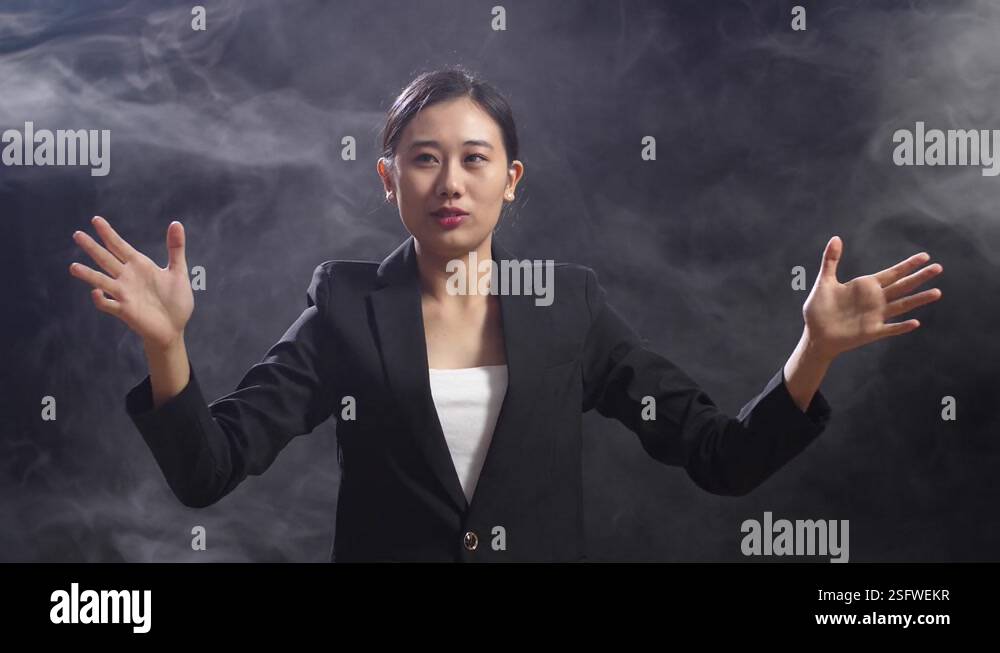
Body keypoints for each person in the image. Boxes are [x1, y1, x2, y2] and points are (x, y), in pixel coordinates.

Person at [67, 67, 944, 562]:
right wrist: (166, 342)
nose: (449, 182)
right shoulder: (343, 306)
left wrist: (814, 351)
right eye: (423, 159)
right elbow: (207, 471)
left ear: (510, 180)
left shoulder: (570, 306)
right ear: (387, 180)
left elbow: (723, 459)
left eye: (475, 159)